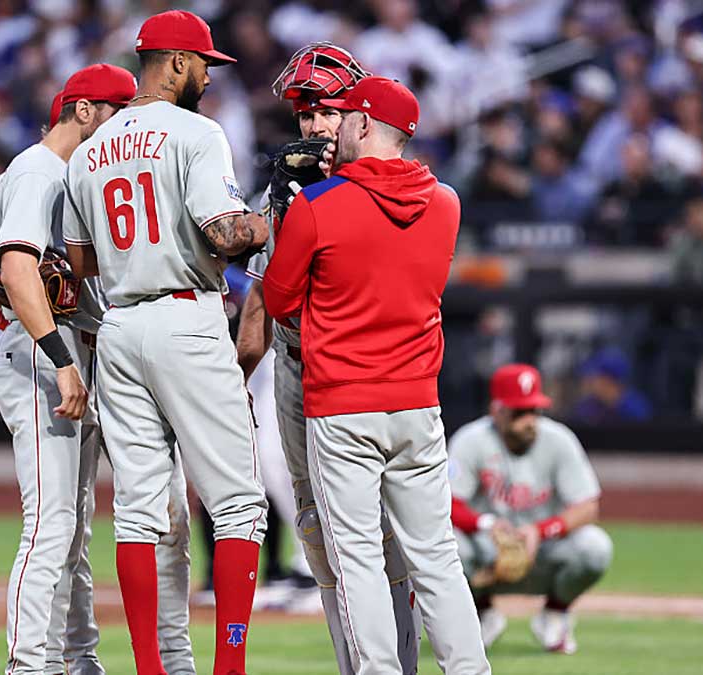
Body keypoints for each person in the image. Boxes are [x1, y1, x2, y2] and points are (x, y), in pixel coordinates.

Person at [0, 65, 195, 675]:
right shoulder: (41, 169)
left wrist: (30, 326)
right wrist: (41, 341)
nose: (124, 128)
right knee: (53, 522)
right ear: (84, 111)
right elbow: (6, 272)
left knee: (77, 529)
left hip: (74, 349)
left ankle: (78, 658)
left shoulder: (58, 173)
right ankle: (29, 666)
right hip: (52, 357)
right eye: (117, 112)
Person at [61, 10, 270, 675]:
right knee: (239, 504)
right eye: (205, 63)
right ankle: (229, 668)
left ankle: (149, 668)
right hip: (186, 315)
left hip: (120, 323)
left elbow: (80, 261)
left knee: (137, 512)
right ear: (176, 62)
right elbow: (225, 234)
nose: (208, 76)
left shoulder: (91, 148)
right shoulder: (198, 132)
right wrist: (273, 218)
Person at [263, 77, 490, 674]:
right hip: (417, 403)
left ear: (361, 125)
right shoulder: (447, 202)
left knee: (357, 560)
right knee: (436, 557)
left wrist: (298, 209)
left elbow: (280, 299)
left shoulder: (318, 205)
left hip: (342, 405)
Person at [236, 42, 420, 675]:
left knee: (391, 542)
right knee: (321, 542)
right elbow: (261, 303)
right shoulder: (285, 189)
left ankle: (405, 664)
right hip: (296, 371)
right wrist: (234, 387)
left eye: (326, 110)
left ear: (361, 116)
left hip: (374, 373)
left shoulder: (395, 181)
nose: (313, 125)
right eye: (304, 112)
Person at [450, 363, 612, 655]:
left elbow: (588, 506)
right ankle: (482, 611)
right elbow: (446, 503)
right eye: (519, 412)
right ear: (496, 410)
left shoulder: (559, 439)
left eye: (534, 411)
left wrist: (541, 530)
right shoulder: (470, 440)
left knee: (595, 547)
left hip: (544, 550)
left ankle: (555, 613)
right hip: (488, 553)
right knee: (446, 545)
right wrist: (486, 525)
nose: (529, 421)